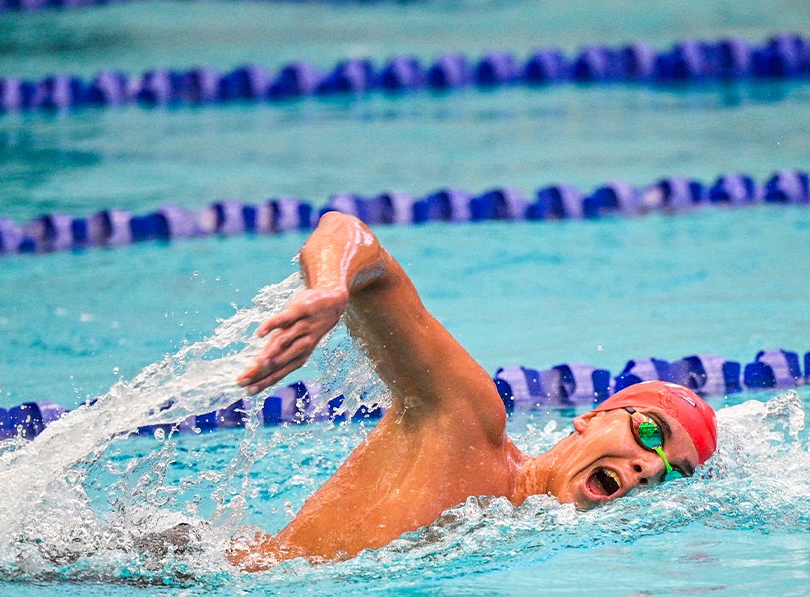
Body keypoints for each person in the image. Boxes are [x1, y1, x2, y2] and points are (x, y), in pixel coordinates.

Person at [229, 211, 719, 564]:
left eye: (672, 474)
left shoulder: (517, 537)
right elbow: (349, 233)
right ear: (590, 419)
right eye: (650, 433)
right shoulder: (467, 424)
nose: (651, 468)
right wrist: (330, 287)